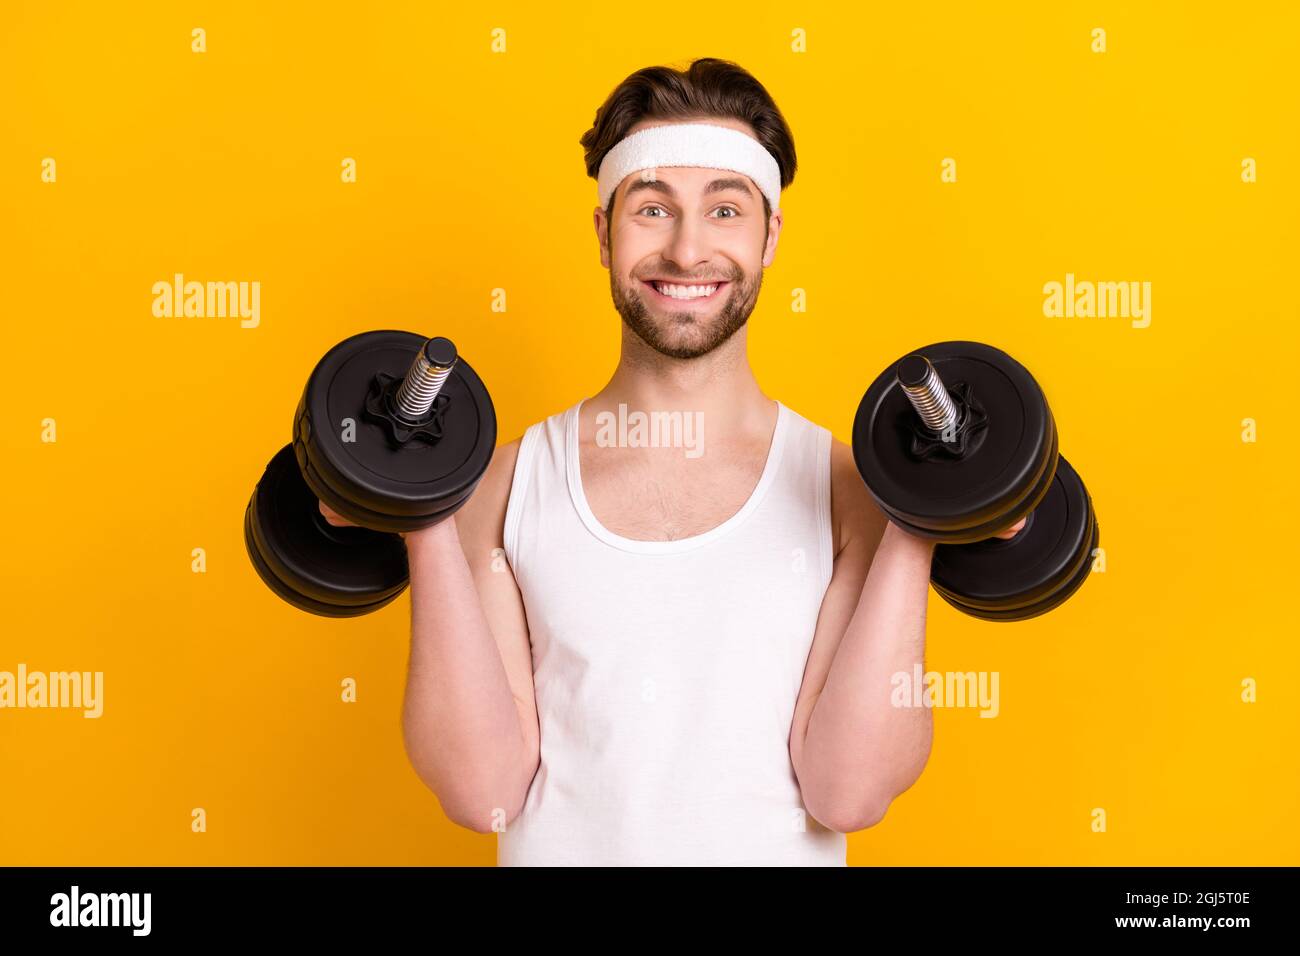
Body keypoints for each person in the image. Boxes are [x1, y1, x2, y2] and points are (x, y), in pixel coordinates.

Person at [321, 57, 1023, 866]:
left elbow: (849, 793)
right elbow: (480, 790)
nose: (688, 251)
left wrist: (921, 517)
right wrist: (420, 513)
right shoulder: (503, 487)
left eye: (725, 210)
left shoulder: (851, 496)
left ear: (770, 237)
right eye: (653, 208)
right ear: (603, 231)